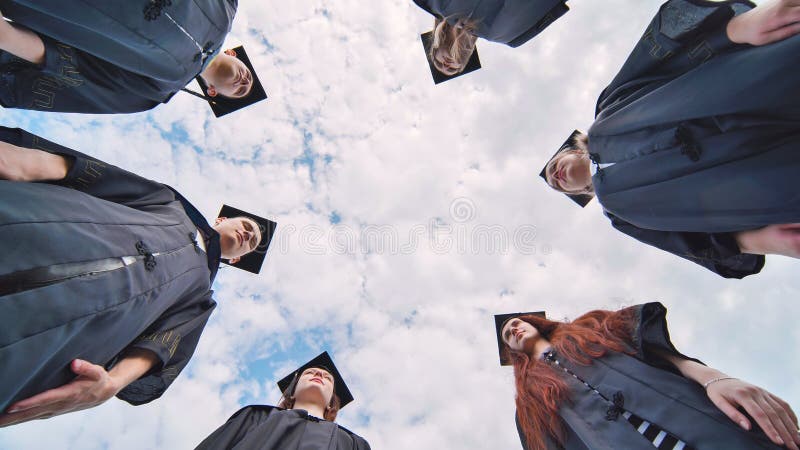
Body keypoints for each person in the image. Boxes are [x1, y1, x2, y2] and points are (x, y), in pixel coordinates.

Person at [0, 126, 272, 426]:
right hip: (29, 228)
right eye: (246, 225)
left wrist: (112, 383)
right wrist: (31, 161)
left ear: (235, 259)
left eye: (253, 241)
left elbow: (163, 345)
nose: (248, 233)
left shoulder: (200, 297)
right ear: (222, 218)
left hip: (48, 337)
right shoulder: (169, 202)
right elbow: (107, 180)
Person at [540, 0, 800, 278]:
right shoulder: (621, 214)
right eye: (557, 185)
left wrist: (736, 29)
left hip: (751, 88)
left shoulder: (607, 111)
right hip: (764, 179)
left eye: (553, 165)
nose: (555, 175)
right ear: (579, 193)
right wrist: (759, 241)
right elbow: (686, 241)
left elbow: (665, 59)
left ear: (572, 150)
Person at [495, 304, 800, 450]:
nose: (515, 329)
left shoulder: (591, 328)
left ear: (534, 321)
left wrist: (714, 378)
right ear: (510, 350)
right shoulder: (529, 406)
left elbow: (657, 350)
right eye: (508, 333)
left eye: (518, 322)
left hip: (699, 419)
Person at [0, 0, 254, 113]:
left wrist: (7, 36)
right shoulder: (226, 6)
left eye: (240, 92)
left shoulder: (155, 89)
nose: (244, 82)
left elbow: (77, 69)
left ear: (212, 92)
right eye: (250, 78)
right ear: (234, 53)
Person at [195, 351, 371, 449]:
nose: (318, 374)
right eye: (309, 373)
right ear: (291, 392)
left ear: (331, 403)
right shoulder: (254, 417)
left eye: (327, 377)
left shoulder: (353, 444)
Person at [413, 0, 570, 75]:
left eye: (439, 63)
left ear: (435, 48)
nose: (446, 65)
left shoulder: (432, 3)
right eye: (453, 68)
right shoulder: (503, 34)